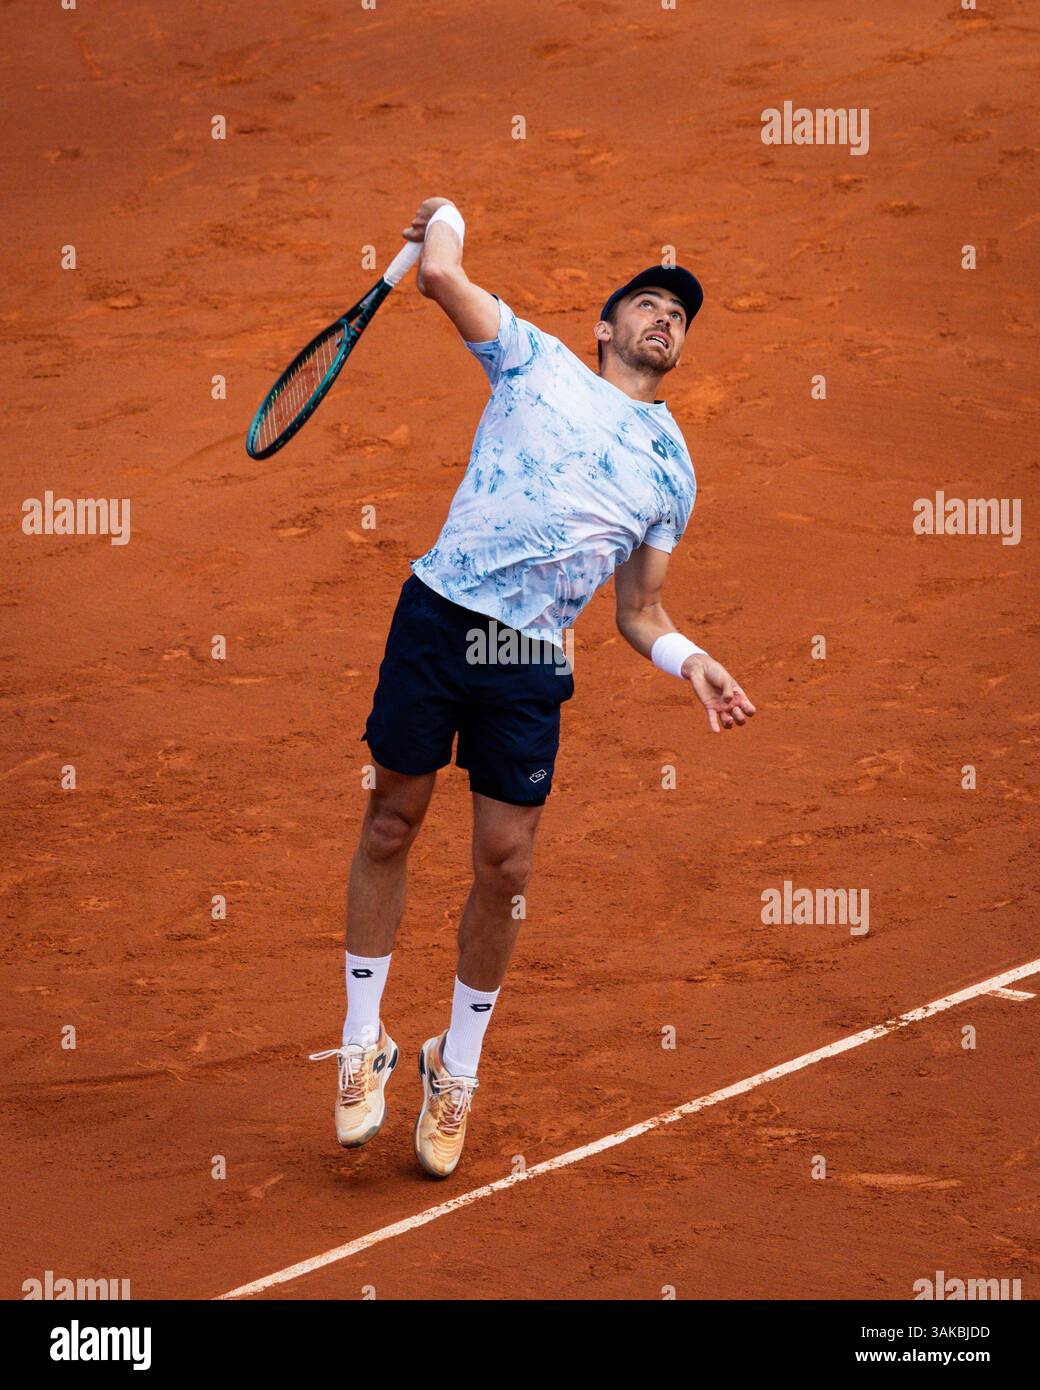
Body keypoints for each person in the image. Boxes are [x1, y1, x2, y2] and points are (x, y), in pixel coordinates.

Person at [310, 197, 756, 1179]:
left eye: (676, 316)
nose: (663, 321)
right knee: (391, 818)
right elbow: (438, 274)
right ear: (604, 327)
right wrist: (452, 217)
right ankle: (361, 1043)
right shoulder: (530, 358)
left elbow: (638, 613)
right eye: (646, 305)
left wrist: (692, 661)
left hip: (527, 656)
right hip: (437, 613)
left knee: (504, 864)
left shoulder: (671, 469)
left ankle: (452, 1064)